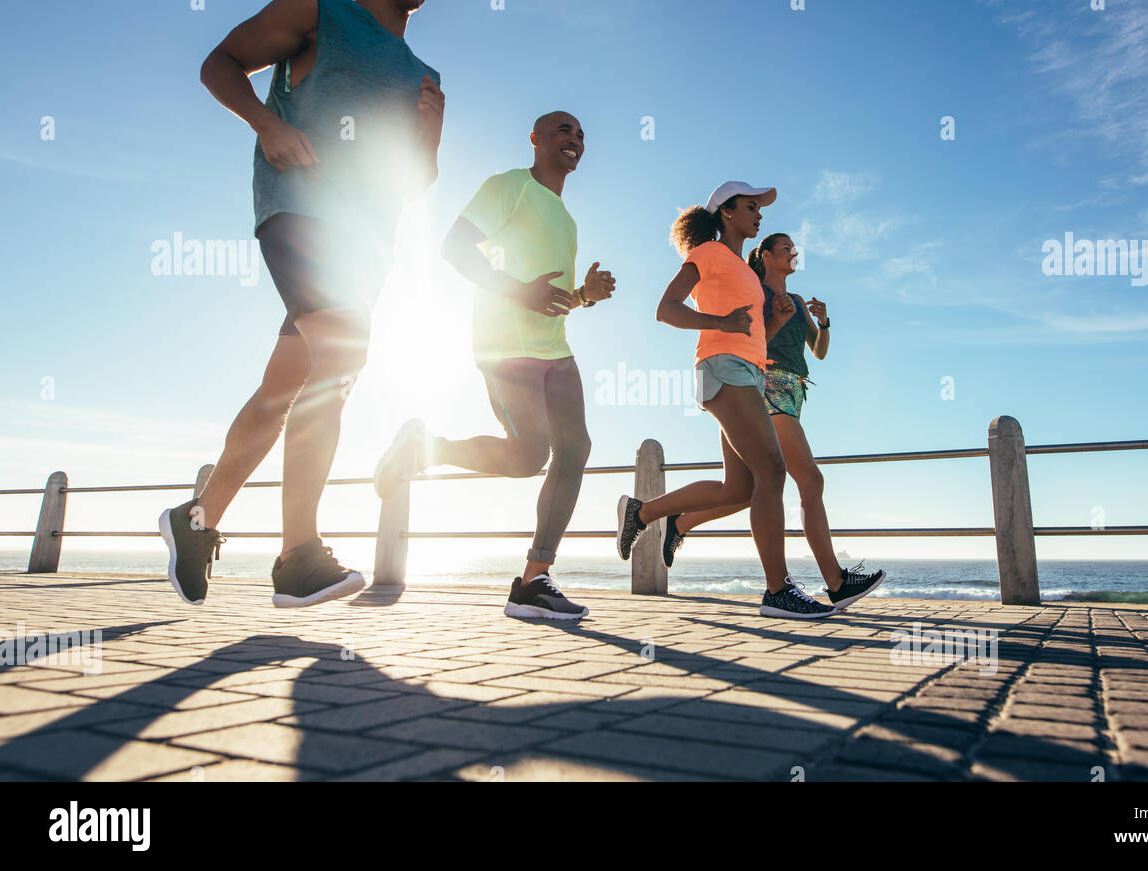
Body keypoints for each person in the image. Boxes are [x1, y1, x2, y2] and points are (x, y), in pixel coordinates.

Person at [159, 0, 444, 608]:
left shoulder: (425, 76)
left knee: (283, 389)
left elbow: (414, 181)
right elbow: (221, 63)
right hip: (299, 207)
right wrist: (267, 123)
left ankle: (197, 518)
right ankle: (297, 557)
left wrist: (431, 133)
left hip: (364, 241)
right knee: (341, 360)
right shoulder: (322, 10)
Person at [373, 111, 615, 621]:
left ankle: (534, 579)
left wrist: (583, 297)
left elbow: (547, 298)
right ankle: (424, 448)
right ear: (535, 140)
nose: (575, 139)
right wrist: (517, 290)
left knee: (574, 450)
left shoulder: (566, 219)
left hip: (555, 349)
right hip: (506, 348)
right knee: (529, 457)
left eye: (581, 134)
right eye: (563, 131)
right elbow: (454, 247)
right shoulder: (510, 186)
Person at [614, 182, 835, 619]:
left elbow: (750, 334)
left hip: (749, 373)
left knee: (742, 488)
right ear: (727, 213)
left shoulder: (746, 273)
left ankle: (644, 513)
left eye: (760, 208)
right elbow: (667, 308)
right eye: (751, 206)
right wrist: (720, 320)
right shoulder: (709, 253)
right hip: (721, 368)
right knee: (772, 469)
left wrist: (775, 322)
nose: (759, 214)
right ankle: (778, 591)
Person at [662, 233, 886, 609]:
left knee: (745, 488)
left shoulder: (796, 300)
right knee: (809, 479)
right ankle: (834, 582)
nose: (793, 252)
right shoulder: (753, 289)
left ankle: (677, 522)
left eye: (793, 248)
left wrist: (824, 321)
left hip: (793, 391)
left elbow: (819, 351)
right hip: (764, 385)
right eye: (785, 248)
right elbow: (750, 338)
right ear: (765, 256)